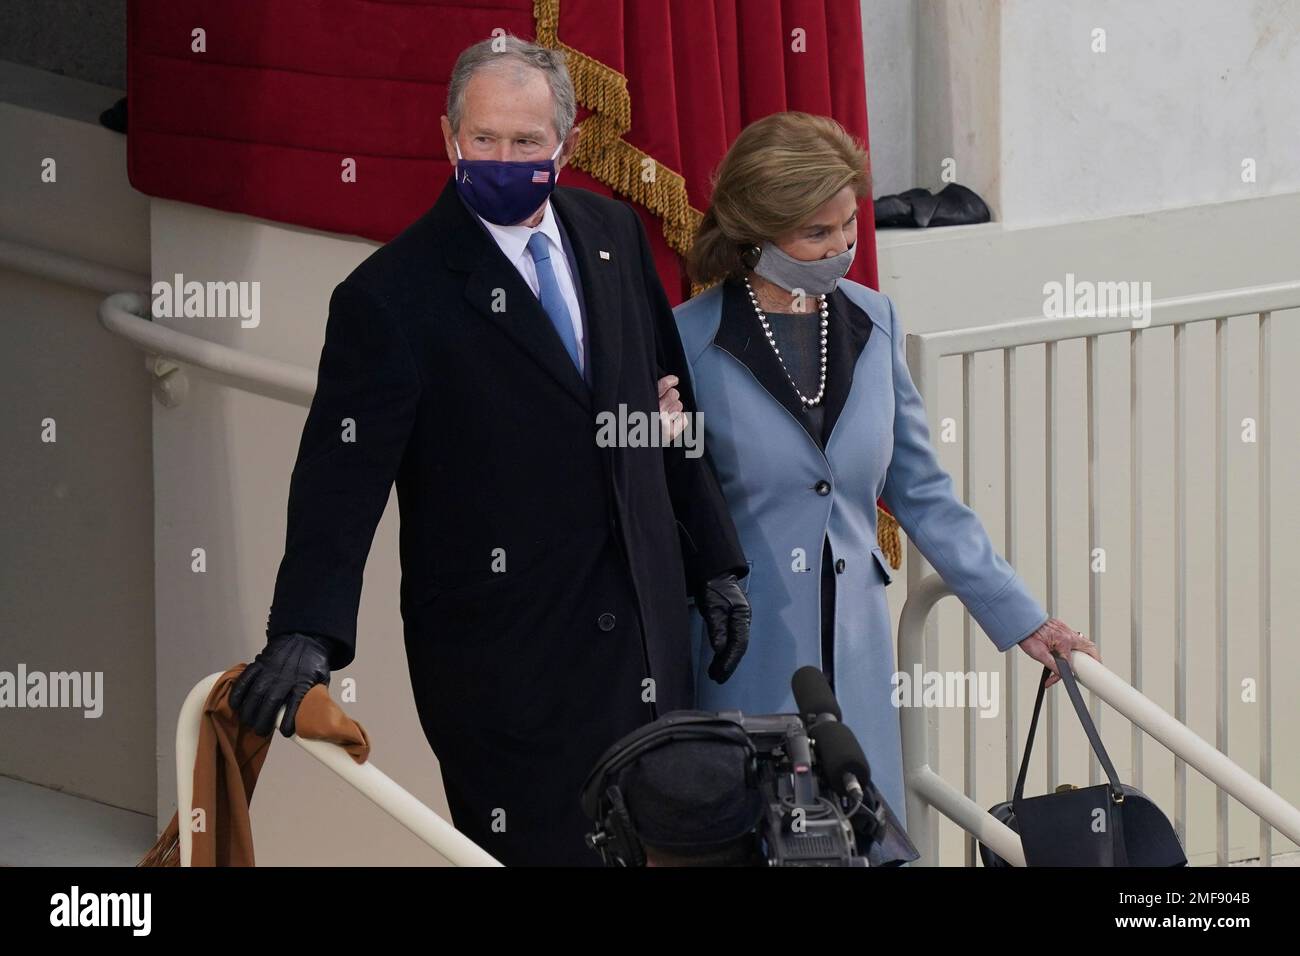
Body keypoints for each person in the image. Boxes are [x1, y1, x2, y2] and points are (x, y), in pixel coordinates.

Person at [229, 36, 752, 866]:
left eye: (526, 142)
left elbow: (668, 410)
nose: (502, 158)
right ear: (448, 138)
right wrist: (306, 632)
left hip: (645, 642)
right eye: (484, 140)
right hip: (509, 666)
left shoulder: (612, 232)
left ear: (568, 147)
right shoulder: (390, 296)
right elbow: (342, 477)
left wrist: (716, 565)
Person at [672, 111, 1099, 827]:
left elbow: (925, 493)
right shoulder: (686, 340)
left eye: (848, 225)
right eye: (817, 233)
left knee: (864, 835)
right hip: (741, 659)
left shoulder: (877, 320)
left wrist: (1022, 616)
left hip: (859, 661)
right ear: (755, 231)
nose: (841, 247)